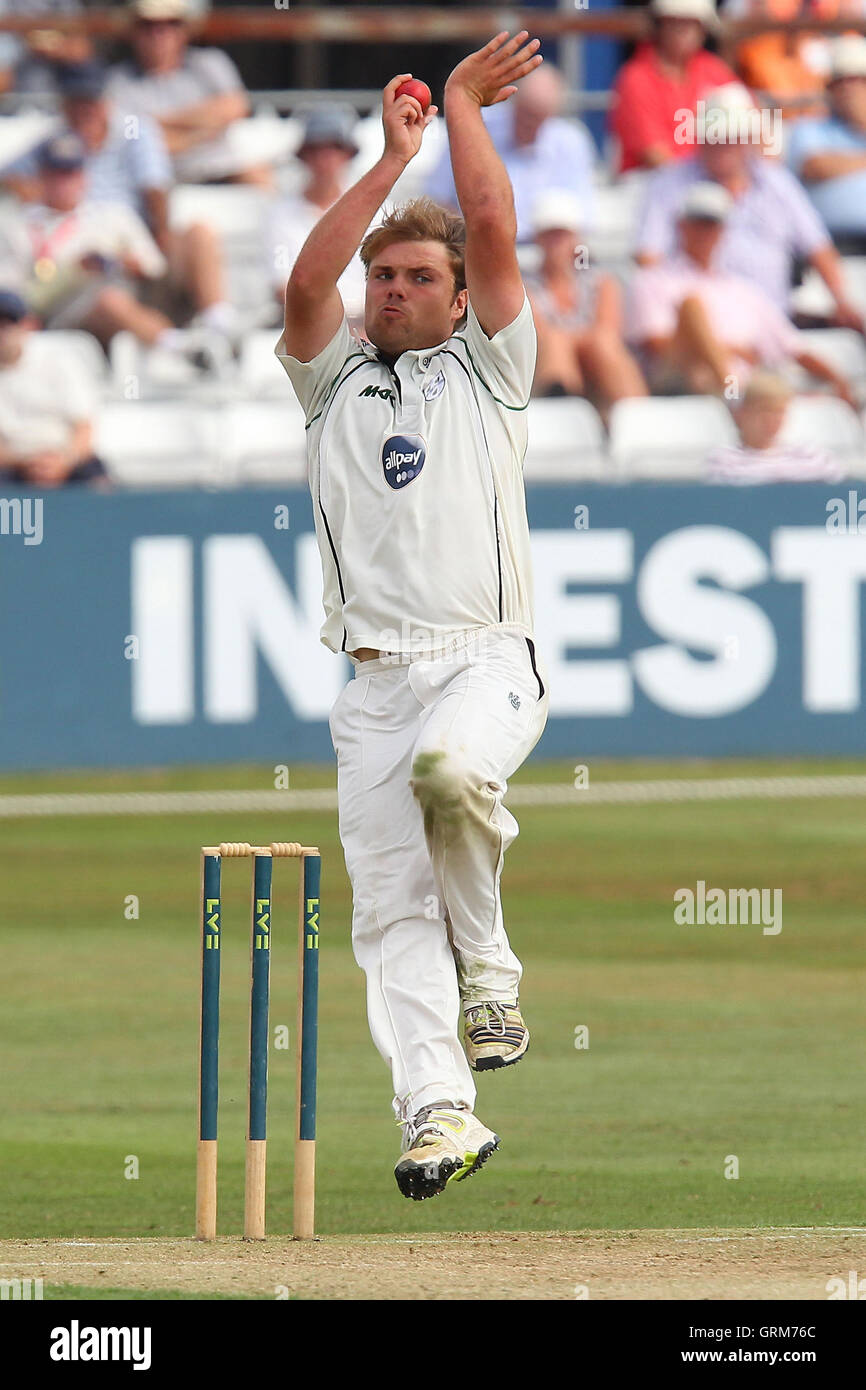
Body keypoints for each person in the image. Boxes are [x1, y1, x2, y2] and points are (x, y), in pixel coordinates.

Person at [277, 34, 550, 1200]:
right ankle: (439, 1111)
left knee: (451, 775)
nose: (392, 292)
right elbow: (303, 287)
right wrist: (391, 166)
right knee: (387, 914)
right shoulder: (330, 378)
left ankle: (490, 968)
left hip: (485, 658)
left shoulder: (493, 367)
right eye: (382, 278)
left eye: (415, 279)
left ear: (454, 298)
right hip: (370, 681)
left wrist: (457, 113)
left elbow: (489, 229)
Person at [635, 84, 863, 325]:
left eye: (734, 134)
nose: (725, 143)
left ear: (750, 138)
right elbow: (649, 261)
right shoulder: (668, 184)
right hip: (697, 326)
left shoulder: (778, 182)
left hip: (773, 323)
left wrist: (840, 301)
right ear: (701, 137)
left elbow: (818, 248)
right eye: (717, 134)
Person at [627, 181, 856, 400]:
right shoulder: (654, 280)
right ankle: (736, 394)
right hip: (682, 382)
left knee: (772, 387)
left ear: (723, 230)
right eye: (698, 223)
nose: (705, 232)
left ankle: (741, 395)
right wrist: (734, 351)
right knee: (692, 310)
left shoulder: (743, 290)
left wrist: (838, 381)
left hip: (738, 384)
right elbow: (657, 346)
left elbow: (792, 347)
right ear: (682, 226)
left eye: (712, 224)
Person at [0, 133, 215, 361]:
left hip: (136, 296)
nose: (64, 182)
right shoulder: (19, 228)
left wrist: (126, 263)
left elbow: (154, 266)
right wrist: (75, 272)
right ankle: (181, 350)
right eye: (56, 174)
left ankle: (218, 322)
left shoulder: (113, 216)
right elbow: (16, 297)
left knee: (200, 232)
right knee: (109, 301)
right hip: (66, 312)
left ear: (84, 177)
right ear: (41, 177)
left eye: (71, 173)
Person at [425, 61, 595, 242]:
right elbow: (438, 199)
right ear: (513, 103)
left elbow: (582, 214)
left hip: (546, 253)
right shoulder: (476, 126)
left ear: (552, 115)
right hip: (478, 247)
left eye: (538, 117)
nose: (529, 123)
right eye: (525, 113)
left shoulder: (570, 140)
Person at [106, 0, 269, 186]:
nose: (159, 33)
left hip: (220, 166)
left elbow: (235, 108)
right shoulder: (118, 81)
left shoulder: (210, 62)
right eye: (148, 25)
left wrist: (156, 122)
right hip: (159, 179)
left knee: (258, 174)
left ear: (184, 31)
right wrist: (201, 132)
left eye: (171, 23)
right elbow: (130, 138)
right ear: (133, 32)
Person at [525, 190, 647, 412]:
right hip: (554, 361)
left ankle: (632, 417)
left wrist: (571, 342)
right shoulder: (526, 288)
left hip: (592, 362)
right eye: (550, 235)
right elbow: (539, 338)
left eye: (562, 235)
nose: (556, 243)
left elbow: (607, 332)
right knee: (556, 345)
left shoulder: (601, 283)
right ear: (538, 239)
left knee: (597, 345)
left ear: (575, 238)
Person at [265, 107, 366, 327]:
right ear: (304, 157)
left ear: (347, 155)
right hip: (308, 326)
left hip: (368, 325)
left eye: (334, 149)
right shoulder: (281, 215)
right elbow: (282, 287)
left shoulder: (374, 209)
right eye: (316, 151)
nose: (324, 160)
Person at [609, 0, 737, 174]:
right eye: (675, 21)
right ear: (660, 25)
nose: (684, 30)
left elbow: (751, 124)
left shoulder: (713, 70)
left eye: (692, 23)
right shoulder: (635, 78)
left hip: (709, 179)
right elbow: (654, 156)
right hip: (649, 184)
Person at [0, 288, 107, 488]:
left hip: (68, 459)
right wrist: (24, 463)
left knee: (99, 484)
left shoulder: (60, 361)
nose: (2, 333)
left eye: (8, 324)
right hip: (11, 466)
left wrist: (64, 461)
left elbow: (85, 427)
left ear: (26, 325)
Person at [787, 35, 866, 253]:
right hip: (827, 249)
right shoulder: (808, 128)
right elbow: (814, 166)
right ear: (829, 89)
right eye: (840, 81)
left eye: (858, 80)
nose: (849, 89)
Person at [706, 371, 843, 481]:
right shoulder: (724, 460)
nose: (772, 419)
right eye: (764, 410)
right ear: (742, 414)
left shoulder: (809, 454)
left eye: (779, 412)